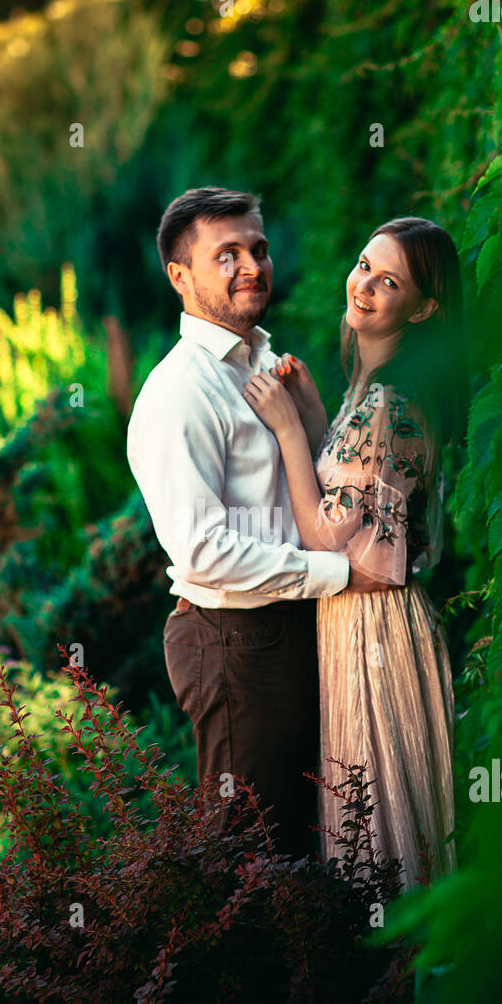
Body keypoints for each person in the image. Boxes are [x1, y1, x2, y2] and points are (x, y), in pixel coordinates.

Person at [126, 186, 378, 858]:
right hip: (236, 642)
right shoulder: (180, 393)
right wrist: (335, 574)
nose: (251, 266)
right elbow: (203, 549)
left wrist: (313, 417)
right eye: (226, 254)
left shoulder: (266, 363)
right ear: (180, 276)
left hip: (297, 621)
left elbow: (312, 493)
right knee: (254, 853)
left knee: (317, 833)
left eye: (258, 249)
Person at [243, 217, 462, 889]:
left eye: (388, 281)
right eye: (364, 264)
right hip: (357, 632)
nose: (364, 285)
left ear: (423, 308)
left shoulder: (393, 400)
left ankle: (412, 988)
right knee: (369, 843)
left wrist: (286, 432)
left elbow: (331, 541)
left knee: (385, 856)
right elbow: (355, 503)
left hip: (379, 636)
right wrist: (315, 417)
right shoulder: (368, 392)